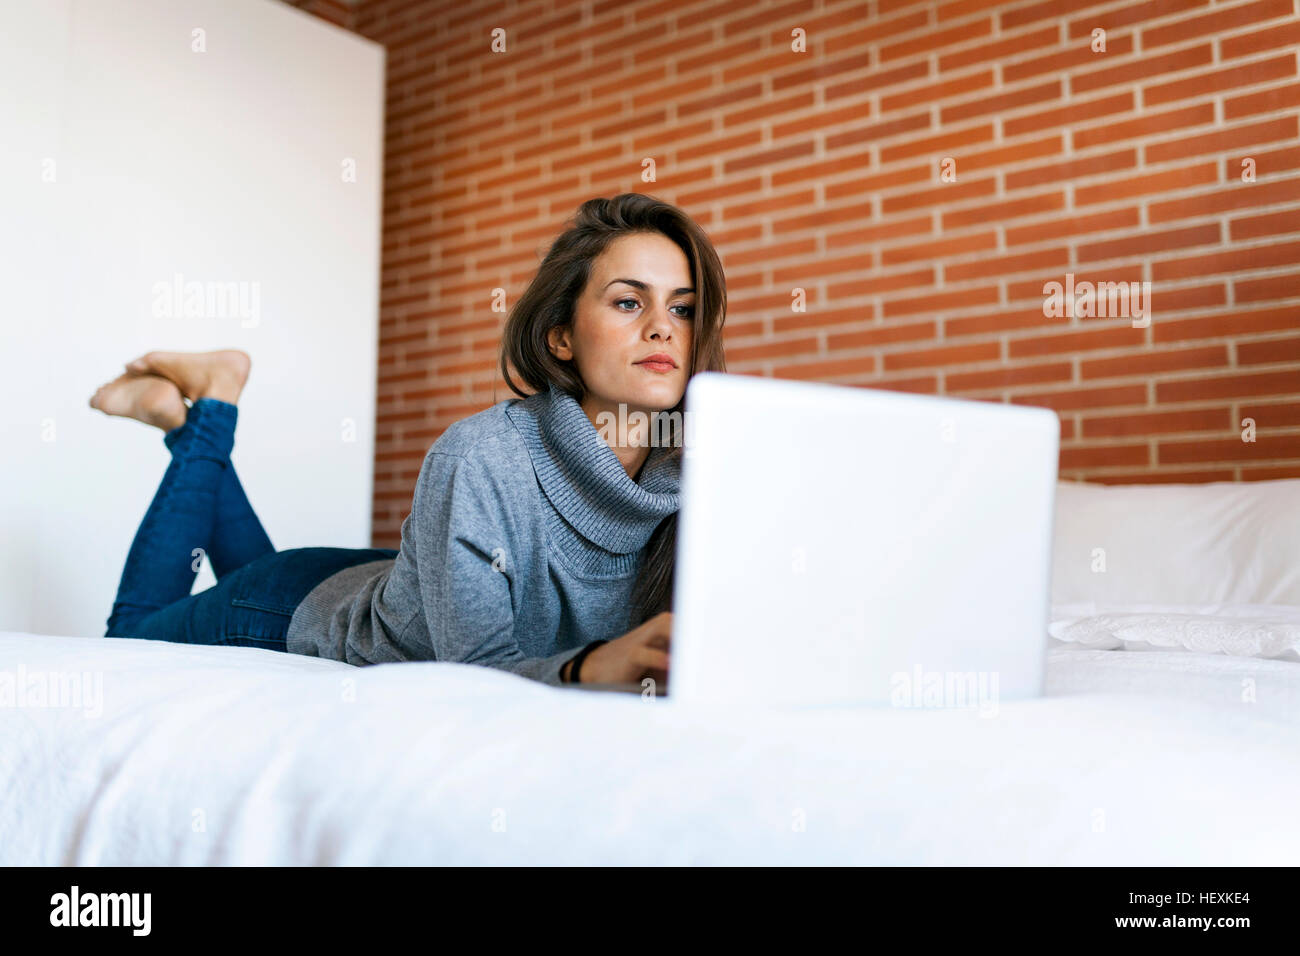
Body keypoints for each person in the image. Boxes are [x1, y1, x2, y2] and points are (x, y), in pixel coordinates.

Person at [91, 193, 728, 688]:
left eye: (682, 308)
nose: (661, 329)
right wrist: (587, 668)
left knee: (252, 569)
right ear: (561, 336)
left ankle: (184, 420)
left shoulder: (704, 475)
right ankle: (212, 407)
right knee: (126, 643)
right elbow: (471, 676)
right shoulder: (481, 455)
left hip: (385, 584)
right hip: (290, 607)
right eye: (627, 303)